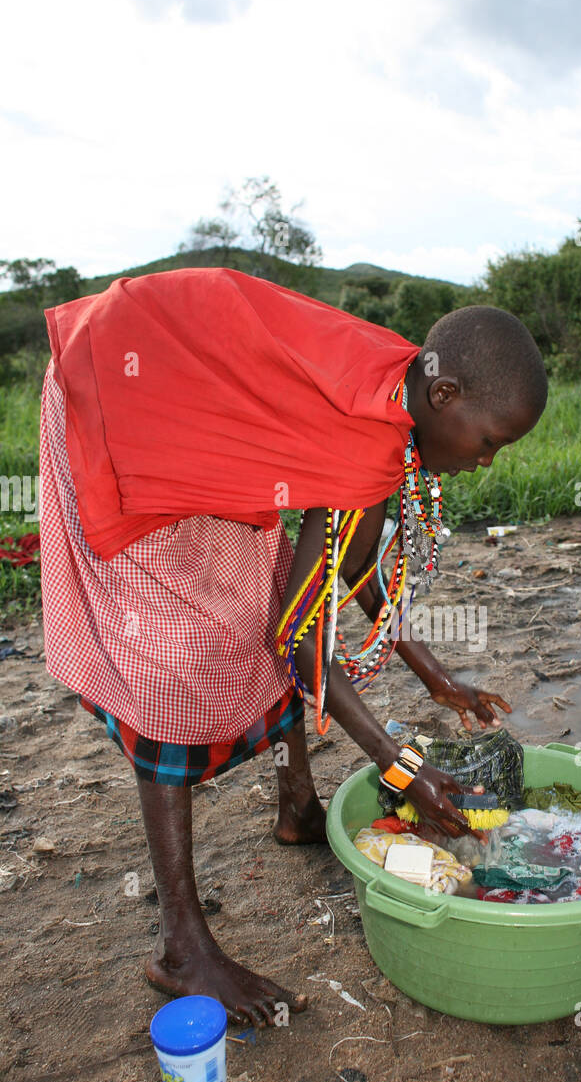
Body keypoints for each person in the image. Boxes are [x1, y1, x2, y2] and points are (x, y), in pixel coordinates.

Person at [41, 268, 548, 1025]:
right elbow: (305, 639)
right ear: (445, 397)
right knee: (175, 661)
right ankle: (182, 943)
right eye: (489, 442)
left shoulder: (403, 395)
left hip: (191, 404)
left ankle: (298, 808)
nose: (486, 461)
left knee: (264, 585)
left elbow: (341, 568)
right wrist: (404, 767)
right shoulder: (367, 441)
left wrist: (435, 674)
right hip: (118, 395)